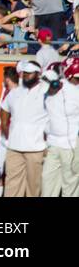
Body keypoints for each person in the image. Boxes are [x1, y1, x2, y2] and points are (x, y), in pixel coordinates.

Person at [0, 58, 49, 197]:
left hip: (36, 149)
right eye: (25, 73)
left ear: (38, 74)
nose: (26, 75)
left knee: (34, 188)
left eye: (30, 73)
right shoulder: (15, 92)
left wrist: (46, 142)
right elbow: (4, 110)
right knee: (12, 187)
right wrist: (6, 132)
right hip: (14, 148)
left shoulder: (46, 92)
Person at [42, 59, 79, 197]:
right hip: (52, 145)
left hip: (72, 146)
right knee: (47, 185)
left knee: (70, 187)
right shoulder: (48, 89)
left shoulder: (75, 92)